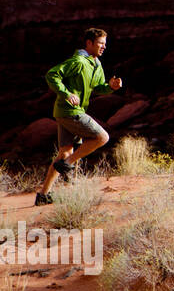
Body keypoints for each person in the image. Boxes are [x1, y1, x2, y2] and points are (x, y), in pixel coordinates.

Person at [35, 28, 122, 205]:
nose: (103, 47)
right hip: (70, 112)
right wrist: (66, 93)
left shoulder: (95, 64)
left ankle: (43, 195)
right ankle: (68, 163)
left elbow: (99, 88)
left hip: (65, 113)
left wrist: (111, 87)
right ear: (88, 43)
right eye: (100, 44)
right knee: (102, 137)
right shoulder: (78, 61)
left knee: (65, 152)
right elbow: (52, 74)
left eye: (105, 44)